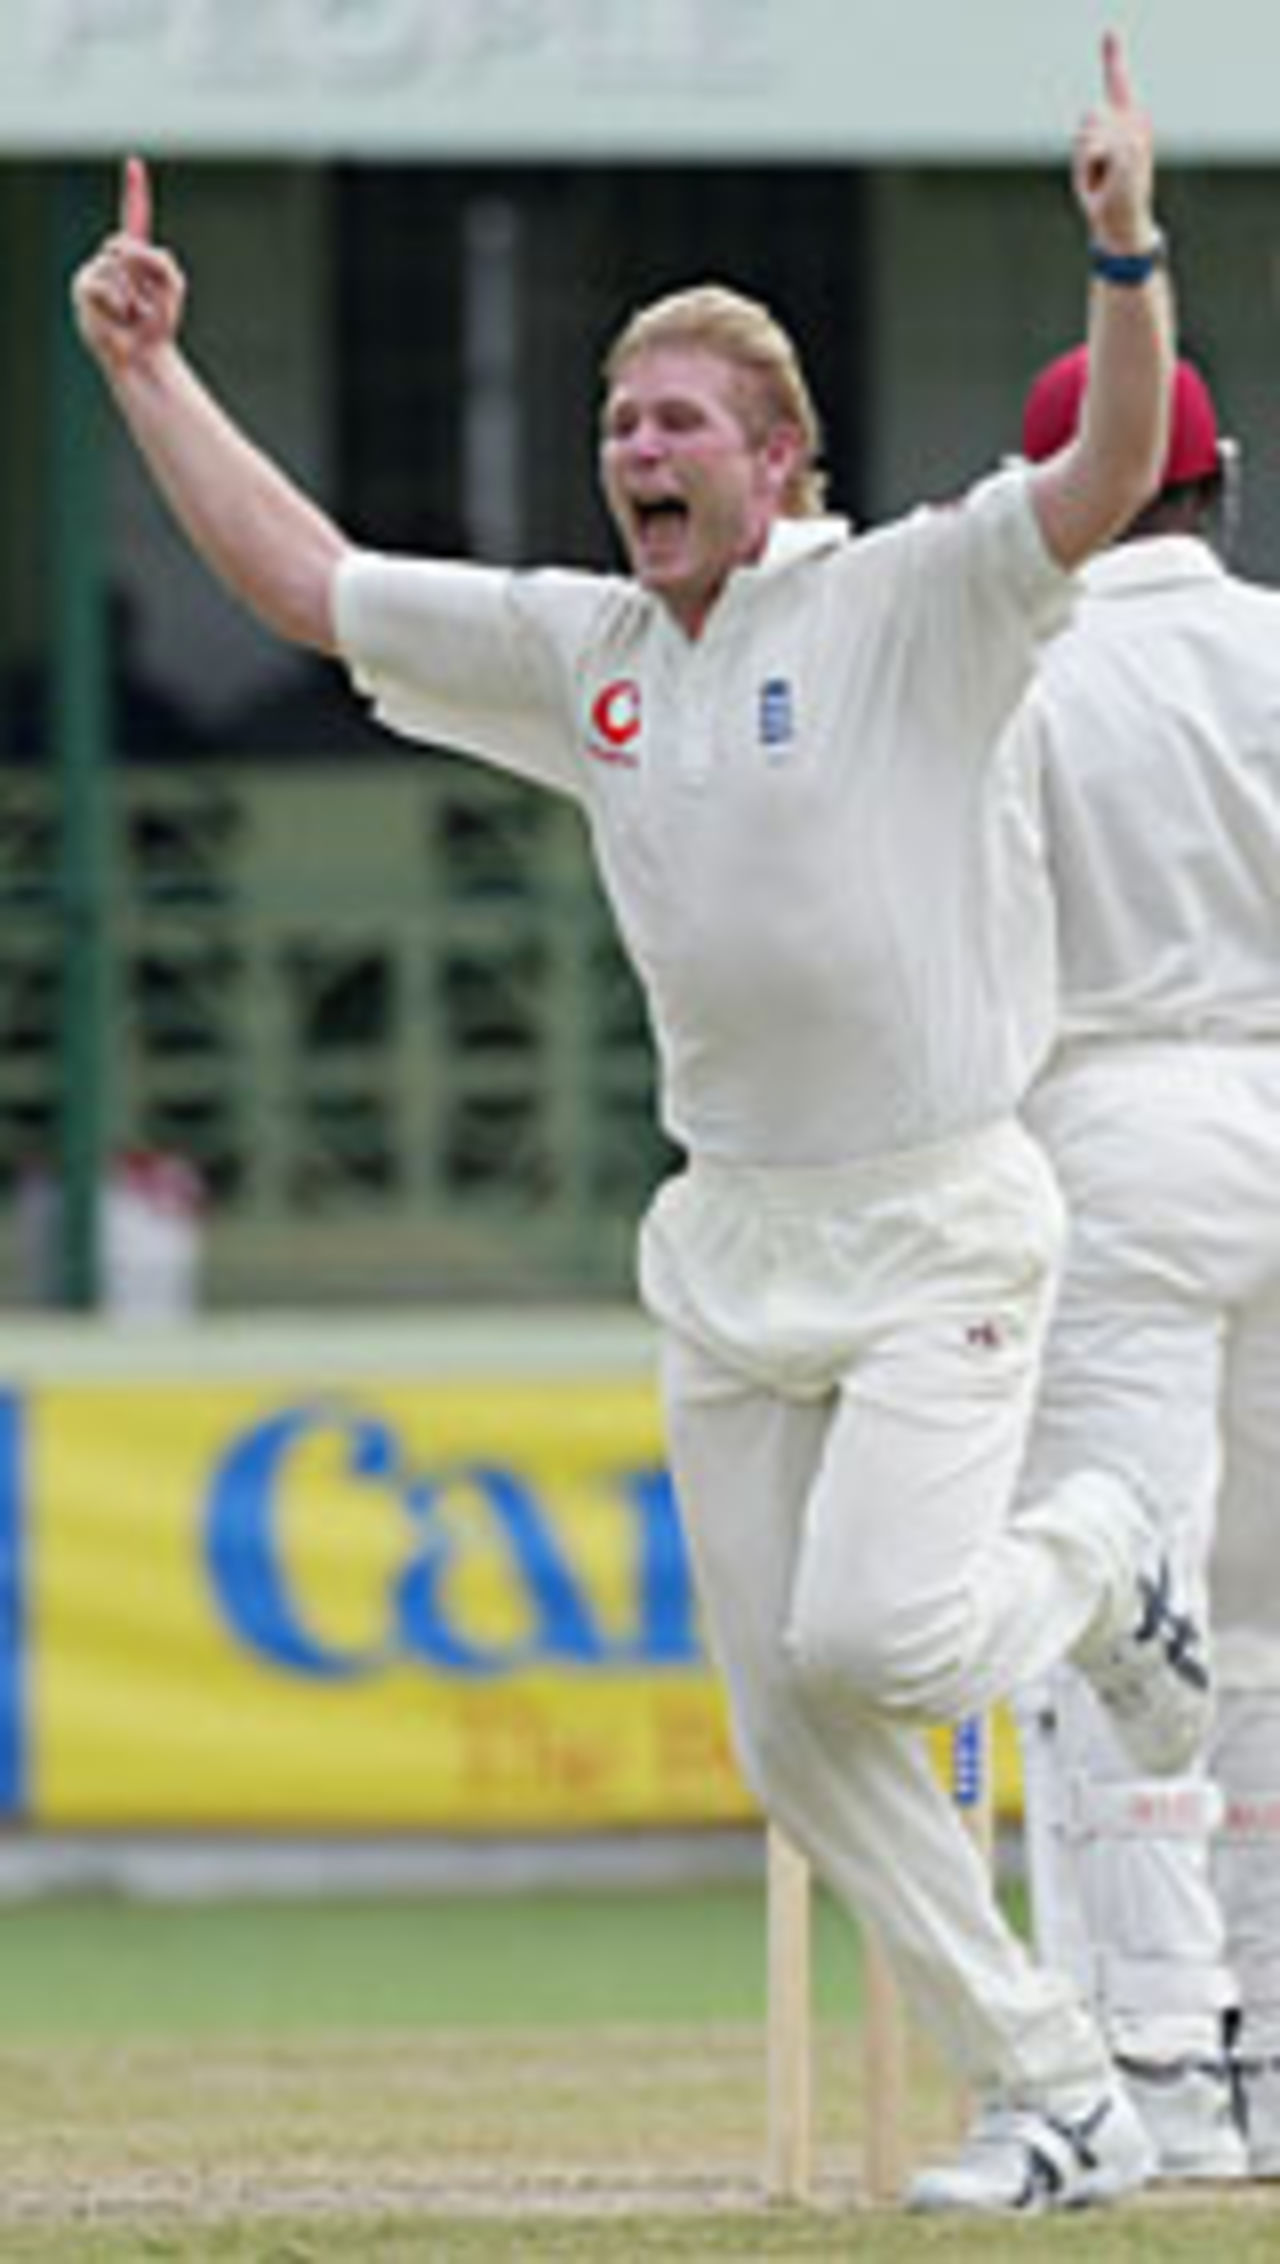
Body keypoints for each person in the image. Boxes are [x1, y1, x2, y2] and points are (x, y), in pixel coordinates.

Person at [73, 37, 1202, 2214]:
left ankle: (1098, 1564)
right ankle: (1056, 2080)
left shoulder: (911, 598)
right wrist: (148, 374)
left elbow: (1109, 469)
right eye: (616, 424)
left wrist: (1123, 248)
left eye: (678, 421)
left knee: (880, 1644)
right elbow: (308, 583)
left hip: (943, 1214)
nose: (635, 451)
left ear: (782, 456)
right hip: (735, 1236)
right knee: (784, 1724)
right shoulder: (592, 652)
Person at [1006, 340, 1280, 2185]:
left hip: (1111, 1128)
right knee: (1263, 1616)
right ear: (1225, 477)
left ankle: (1163, 2060)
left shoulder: (1020, 674)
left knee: (1127, 1612)